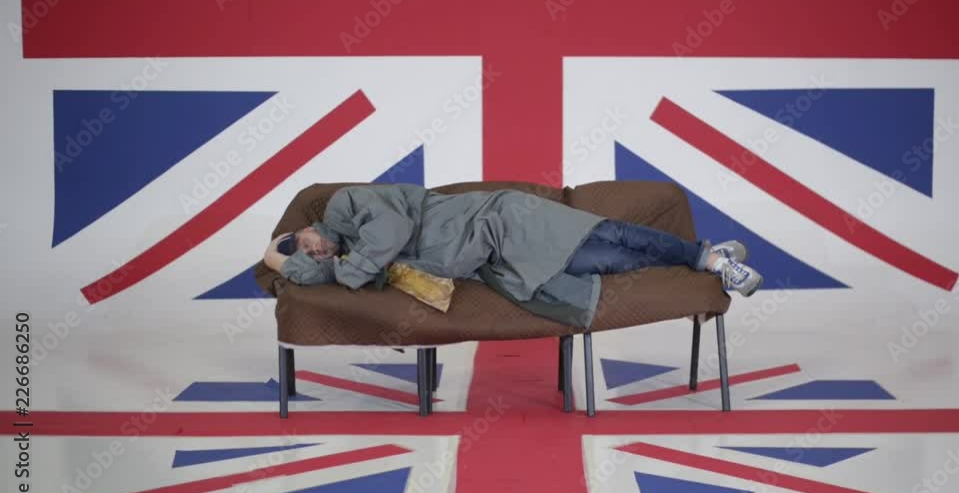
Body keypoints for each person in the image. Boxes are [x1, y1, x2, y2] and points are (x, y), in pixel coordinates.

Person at [263, 183, 762, 328]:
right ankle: (706, 257)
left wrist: (342, 265)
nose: (318, 249)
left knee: (607, 231)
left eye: (308, 242)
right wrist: (280, 262)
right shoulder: (349, 257)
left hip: (501, 219)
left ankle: (711, 261)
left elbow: (390, 229)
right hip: (497, 257)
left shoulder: (347, 207)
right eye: (313, 253)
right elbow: (330, 275)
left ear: (312, 225)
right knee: (603, 260)